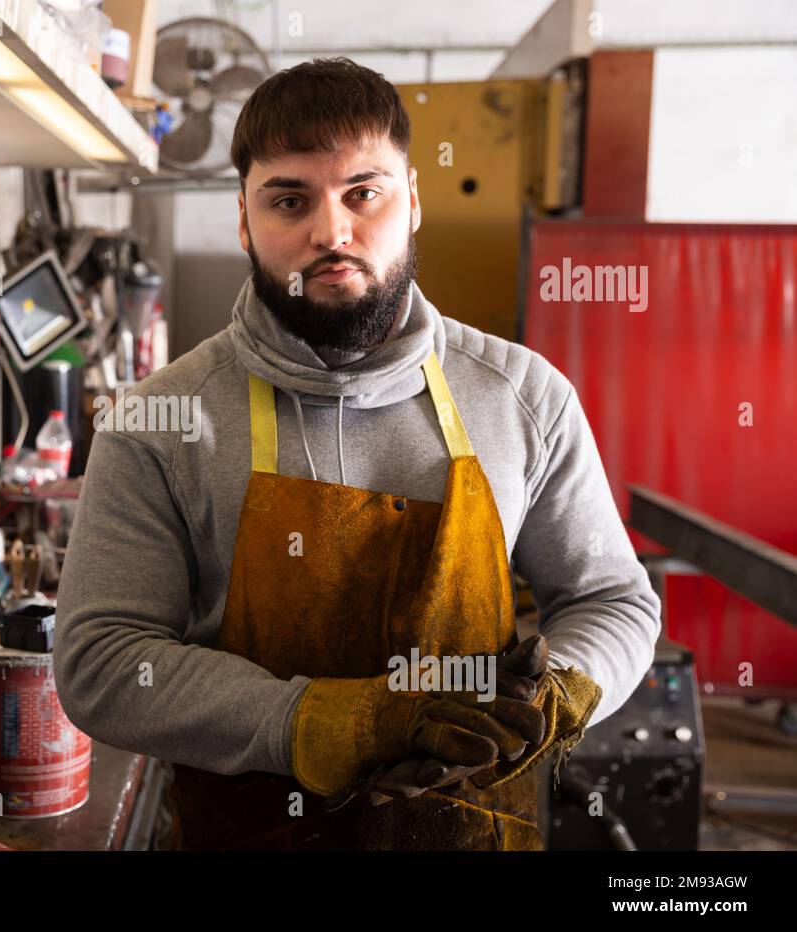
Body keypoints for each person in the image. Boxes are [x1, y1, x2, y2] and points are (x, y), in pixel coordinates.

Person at [54, 58, 661, 850]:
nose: (330, 231)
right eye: (289, 199)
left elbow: (615, 601)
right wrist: (322, 721)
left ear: (412, 202)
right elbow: (102, 664)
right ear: (244, 220)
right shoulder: (158, 422)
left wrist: (562, 690)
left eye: (362, 193)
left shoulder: (524, 398)